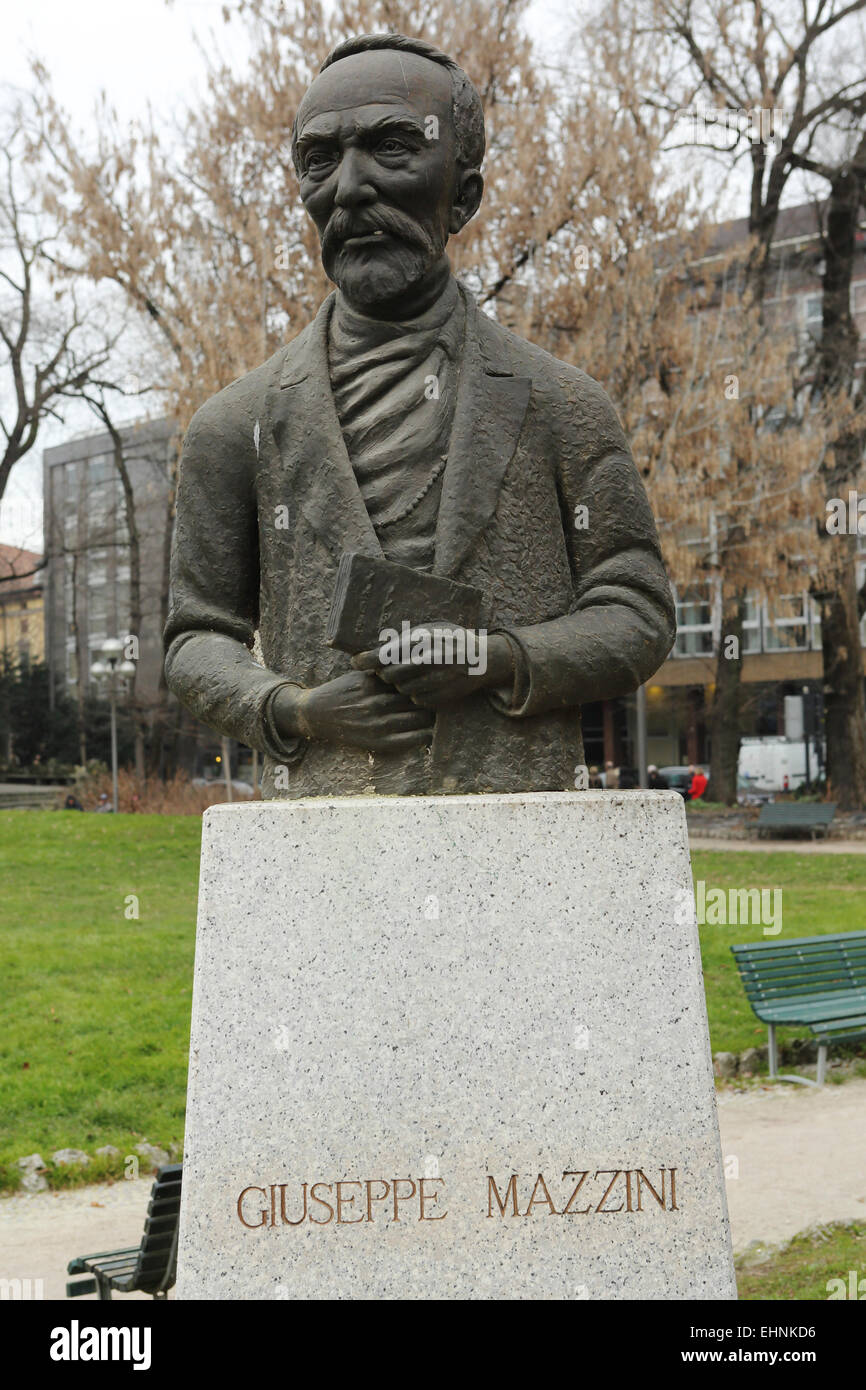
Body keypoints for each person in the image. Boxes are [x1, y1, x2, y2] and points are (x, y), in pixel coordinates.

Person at [164, 33, 676, 799]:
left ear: (463, 195)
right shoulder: (234, 429)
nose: (349, 189)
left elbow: (637, 608)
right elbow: (195, 636)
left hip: (522, 841)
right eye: (319, 159)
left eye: (392, 148)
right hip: (323, 850)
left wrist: (497, 659)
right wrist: (295, 709)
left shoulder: (562, 406)